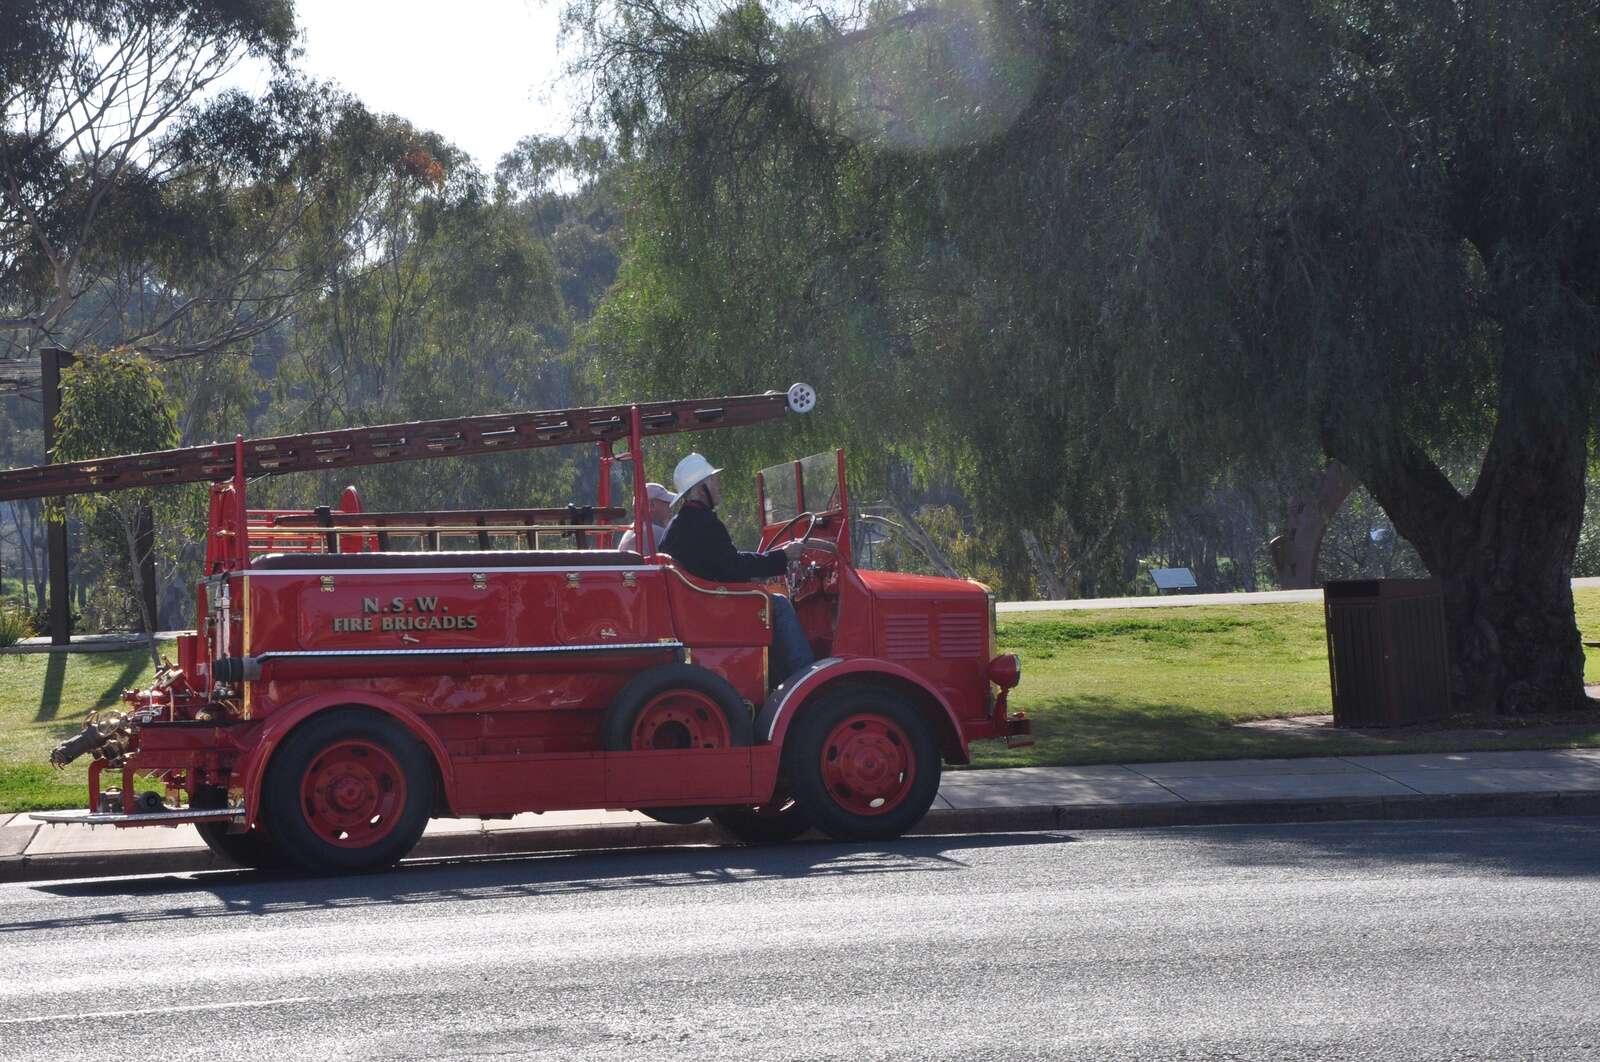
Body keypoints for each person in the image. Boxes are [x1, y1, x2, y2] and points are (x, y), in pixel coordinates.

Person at [659, 453, 815, 687]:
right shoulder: (703, 523)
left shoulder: (681, 523)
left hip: (699, 604)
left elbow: (723, 561)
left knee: (768, 598)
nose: (718, 485)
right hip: (711, 609)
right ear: (701, 489)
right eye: (712, 481)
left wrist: (769, 560)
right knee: (779, 605)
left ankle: (779, 681)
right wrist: (782, 556)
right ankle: (807, 678)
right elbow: (733, 567)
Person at [617, 482, 675, 554]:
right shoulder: (656, 532)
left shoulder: (632, 530)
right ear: (652, 505)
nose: (670, 508)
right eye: (667, 503)